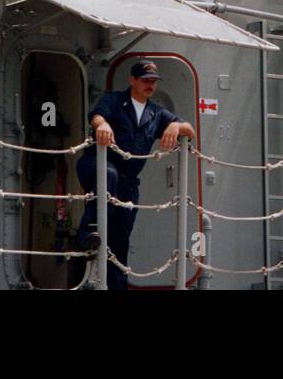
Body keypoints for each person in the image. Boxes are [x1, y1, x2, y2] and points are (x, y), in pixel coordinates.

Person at [75, 60, 195, 289]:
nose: (150, 85)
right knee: (109, 175)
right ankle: (88, 233)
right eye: (145, 80)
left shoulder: (156, 113)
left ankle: (117, 286)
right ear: (132, 80)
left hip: (128, 183)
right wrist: (102, 126)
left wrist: (175, 127)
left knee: (121, 238)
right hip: (97, 165)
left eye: (153, 81)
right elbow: (97, 116)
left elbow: (190, 130)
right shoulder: (114, 101)